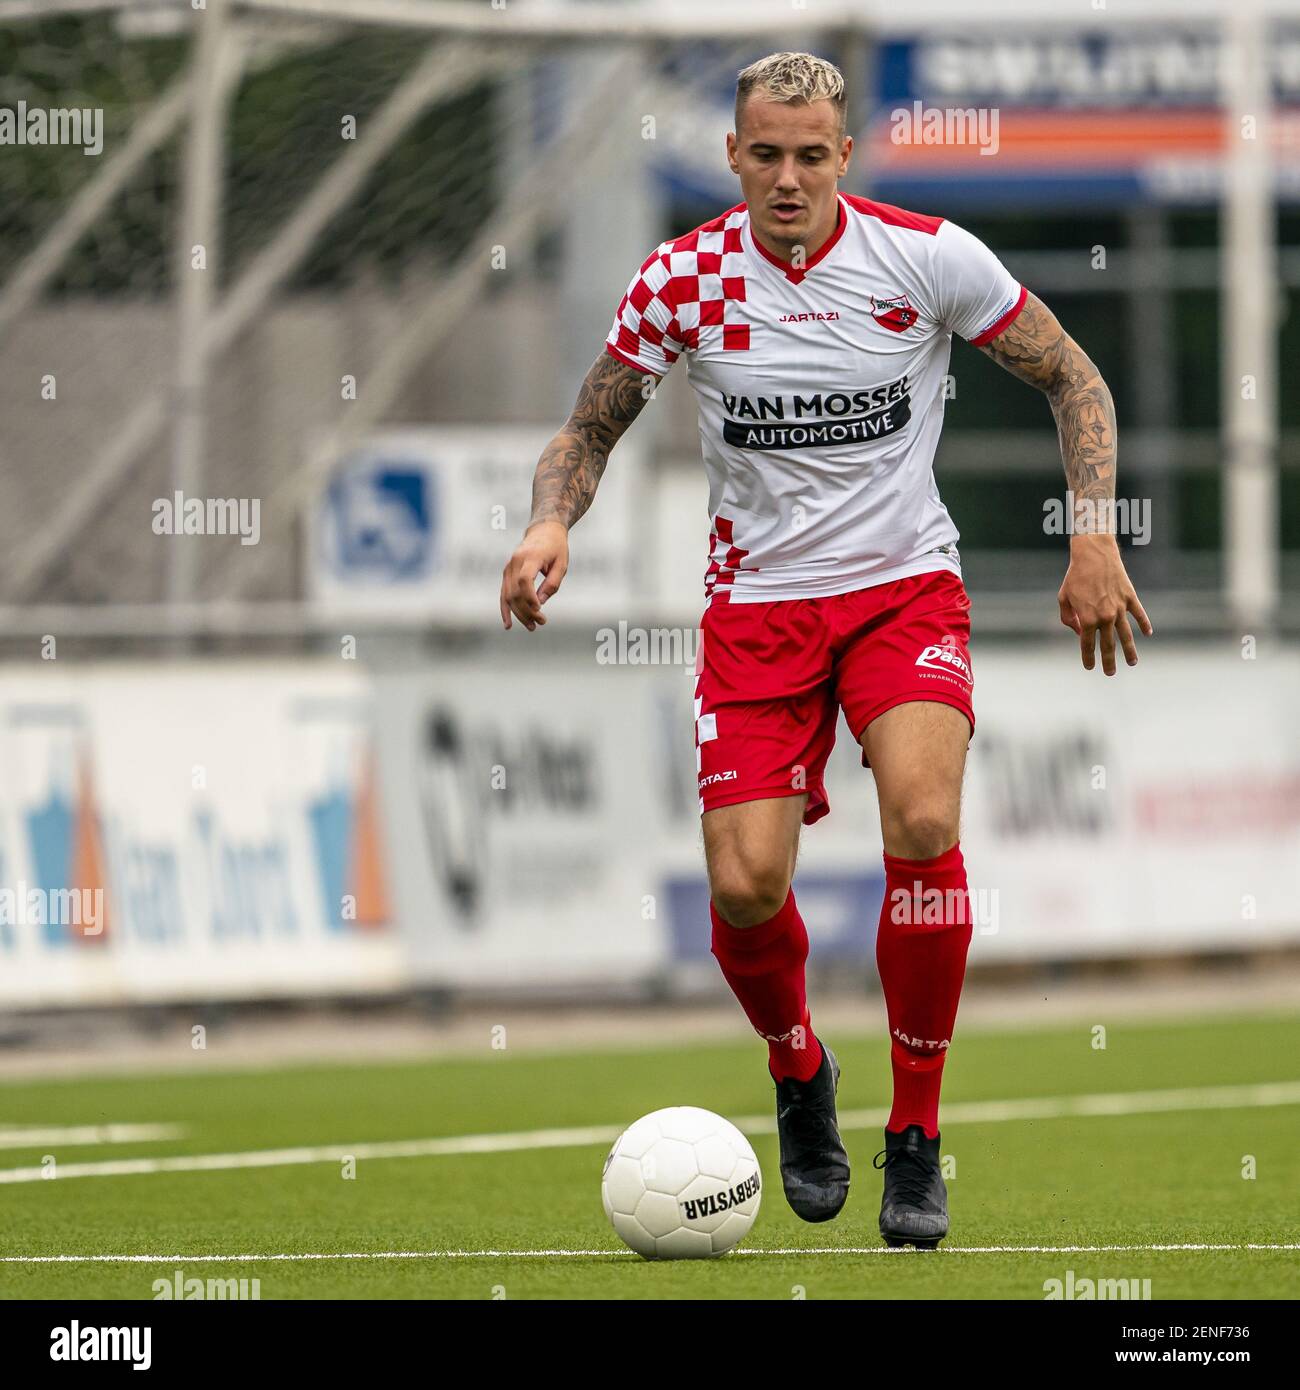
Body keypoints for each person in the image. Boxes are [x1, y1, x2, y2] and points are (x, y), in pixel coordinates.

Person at [500, 51, 1151, 1248]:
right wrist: (551, 518)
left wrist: (1093, 538)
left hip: (904, 592)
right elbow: (590, 425)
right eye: (766, 154)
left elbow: (1075, 379)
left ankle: (914, 1138)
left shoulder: (928, 257)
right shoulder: (682, 279)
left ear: (843, 156)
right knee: (746, 886)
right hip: (756, 614)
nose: (788, 177)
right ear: (734, 155)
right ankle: (800, 1069)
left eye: (812, 155)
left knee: (922, 820)